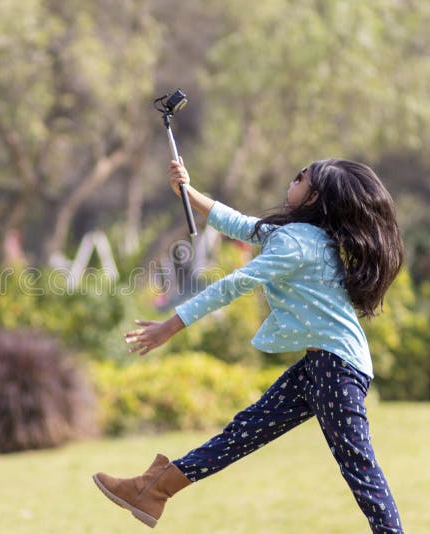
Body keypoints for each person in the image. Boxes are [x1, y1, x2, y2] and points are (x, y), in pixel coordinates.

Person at [92, 158, 405, 533]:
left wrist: (170, 326)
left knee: (359, 467)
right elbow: (240, 224)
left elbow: (235, 284)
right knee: (241, 433)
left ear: (314, 197)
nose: (292, 180)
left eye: (299, 178)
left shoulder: (295, 243)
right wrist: (188, 193)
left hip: (336, 369)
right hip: (323, 366)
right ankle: (152, 491)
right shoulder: (301, 236)